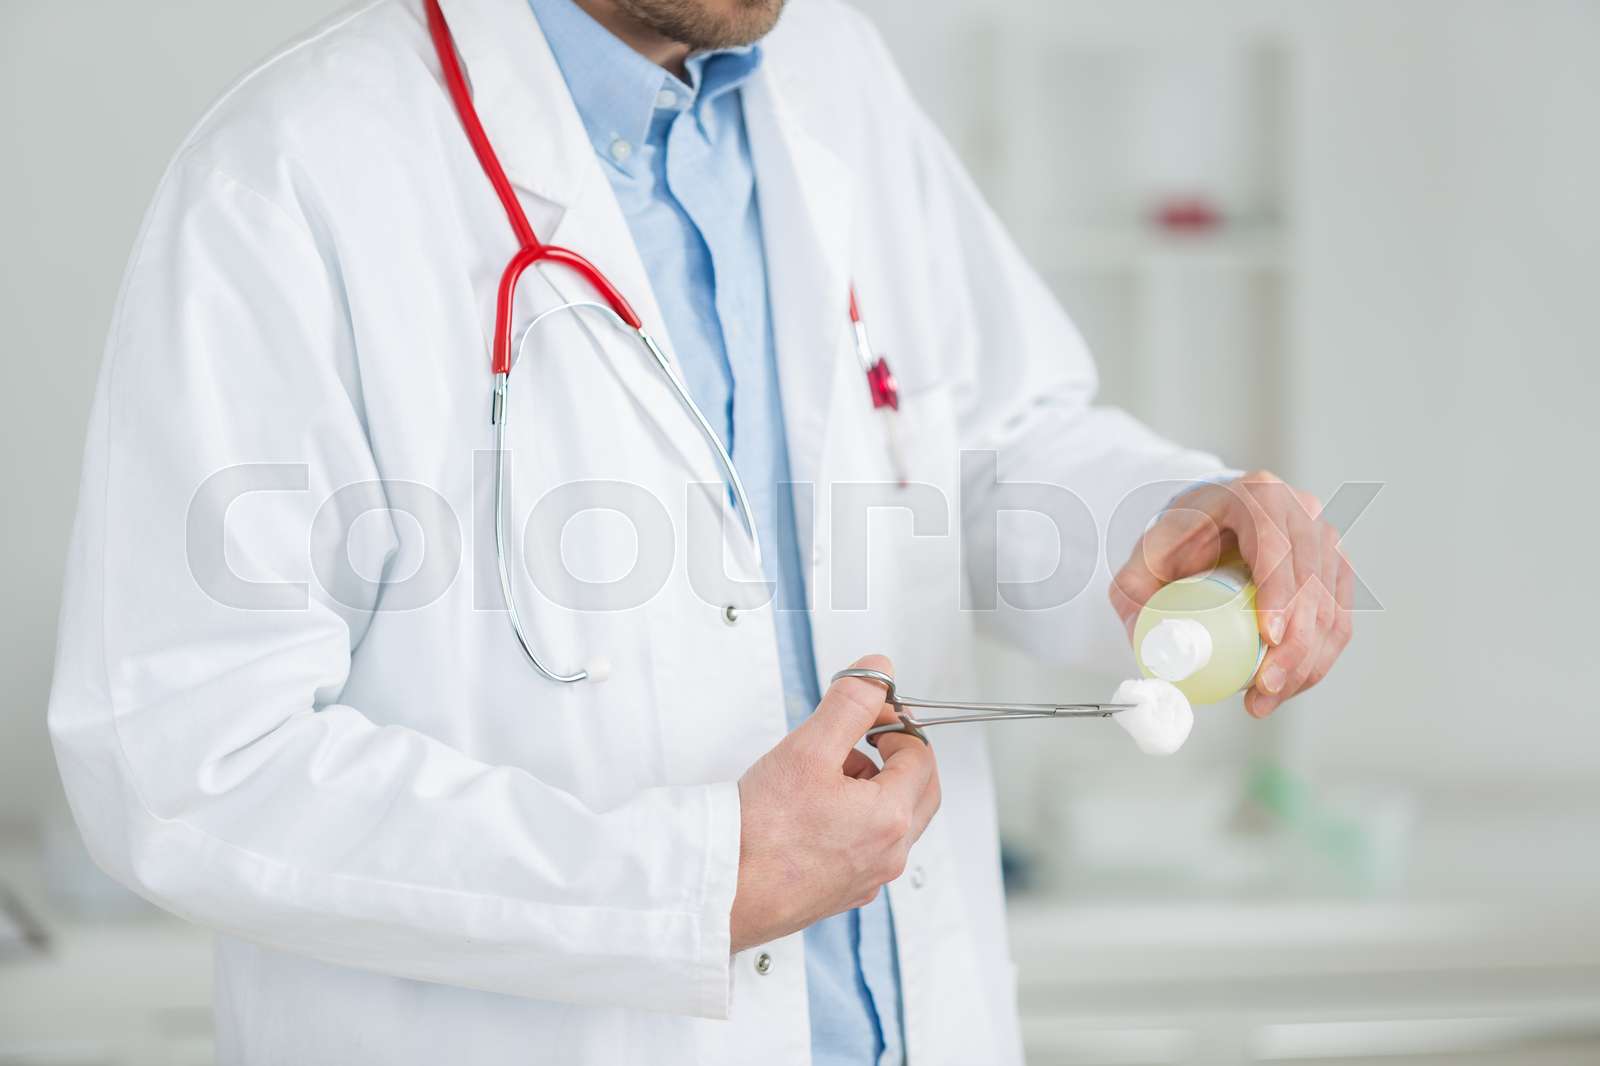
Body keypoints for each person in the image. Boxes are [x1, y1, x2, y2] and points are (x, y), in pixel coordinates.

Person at [46, 0, 1354, 1063]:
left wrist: (1158, 522)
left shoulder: (829, 75)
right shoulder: (293, 175)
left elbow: (985, 449)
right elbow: (185, 758)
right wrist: (687, 881)